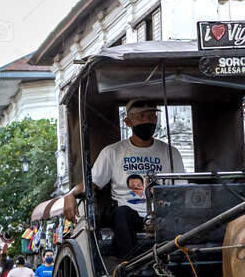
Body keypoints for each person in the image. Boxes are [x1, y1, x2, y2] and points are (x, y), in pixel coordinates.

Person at [78, 99, 186, 259]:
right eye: (141, 117)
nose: (147, 120)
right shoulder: (113, 152)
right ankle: (130, 265)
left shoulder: (171, 152)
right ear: (128, 122)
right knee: (122, 213)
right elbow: (92, 183)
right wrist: (70, 196)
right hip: (128, 215)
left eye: (151, 116)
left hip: (163, 214)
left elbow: (181, 189)